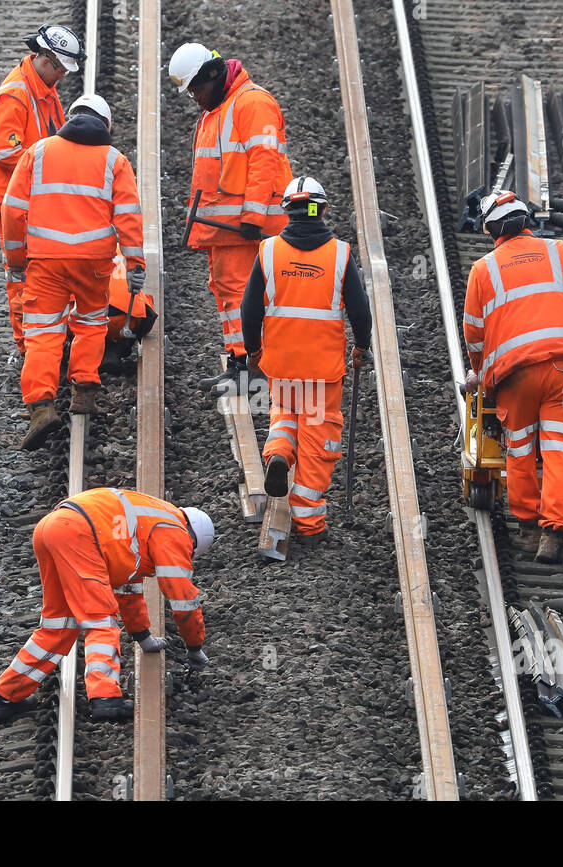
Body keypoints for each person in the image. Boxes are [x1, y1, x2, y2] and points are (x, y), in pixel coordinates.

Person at [462, 191, 563, 563]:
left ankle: (527, 527)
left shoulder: (483, 270)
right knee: (560, 448)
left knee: (521, 449)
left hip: (515, 378)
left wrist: (480, 374)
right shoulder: (562, 252)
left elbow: (474, 335)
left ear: (490, 229)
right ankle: (553, 531)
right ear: (528, 220)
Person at [0, 488, 214, 724]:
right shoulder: (175, 531)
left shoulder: (149, 524)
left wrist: (143, 636)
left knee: (59, 626)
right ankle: (105, 697)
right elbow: (184, 601)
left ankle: (6, 697)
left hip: (52, 528)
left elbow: (128, 592)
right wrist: (195, 646)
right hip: (78, 533)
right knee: (101, 621)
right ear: (194, 541)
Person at [1, 95, 146, 450]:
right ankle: (84, 392)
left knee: (43, 331)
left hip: (45, 261)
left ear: (70, 118)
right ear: (106, 126)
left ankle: (41, 406)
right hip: (93, 263)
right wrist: (134, 264)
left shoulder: (37, 153)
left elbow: (11, 209)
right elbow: (128, 216)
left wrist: (16, 258)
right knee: (91, 322)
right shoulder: (115, 160)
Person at [241, 176, 372, 546]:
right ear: (323, 210)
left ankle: (279, 454)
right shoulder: (340, 254)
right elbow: (360, 312)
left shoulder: (268, 252)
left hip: (281, 364)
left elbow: (249, 309)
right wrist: (362, 346)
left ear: (286, 212)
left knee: (284, 413)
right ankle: (309, 523)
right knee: (318, 443)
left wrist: (253, 351)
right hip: (321, 370)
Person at [168, 42, 292, 394]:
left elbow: (264, 158)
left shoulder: (251, 103)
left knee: (244, 292)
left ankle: (253, 367)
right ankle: (240, 363)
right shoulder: (219, 109)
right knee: (230, 292)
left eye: (196, 87)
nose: (194, 96)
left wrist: (253, 215)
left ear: (213, 74)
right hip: (229, 227)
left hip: (248, 225)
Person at [0, 24, 86, 355]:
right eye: (62, 69)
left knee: (43, 265)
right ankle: (28, 345)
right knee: (21, 271)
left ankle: (46, 334)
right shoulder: (16, 93)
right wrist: (51, 169)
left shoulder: (43, 87)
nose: (63, 77)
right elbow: (6, 150)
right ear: (48, 59)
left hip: (33, 194)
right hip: (12, 199)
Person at [99, 251, 158, 375]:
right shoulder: (128, 255)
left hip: (87, 322)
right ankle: (118, 347)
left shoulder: (82, 254)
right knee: (144, 309)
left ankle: (85, 357)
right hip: (124, 322)